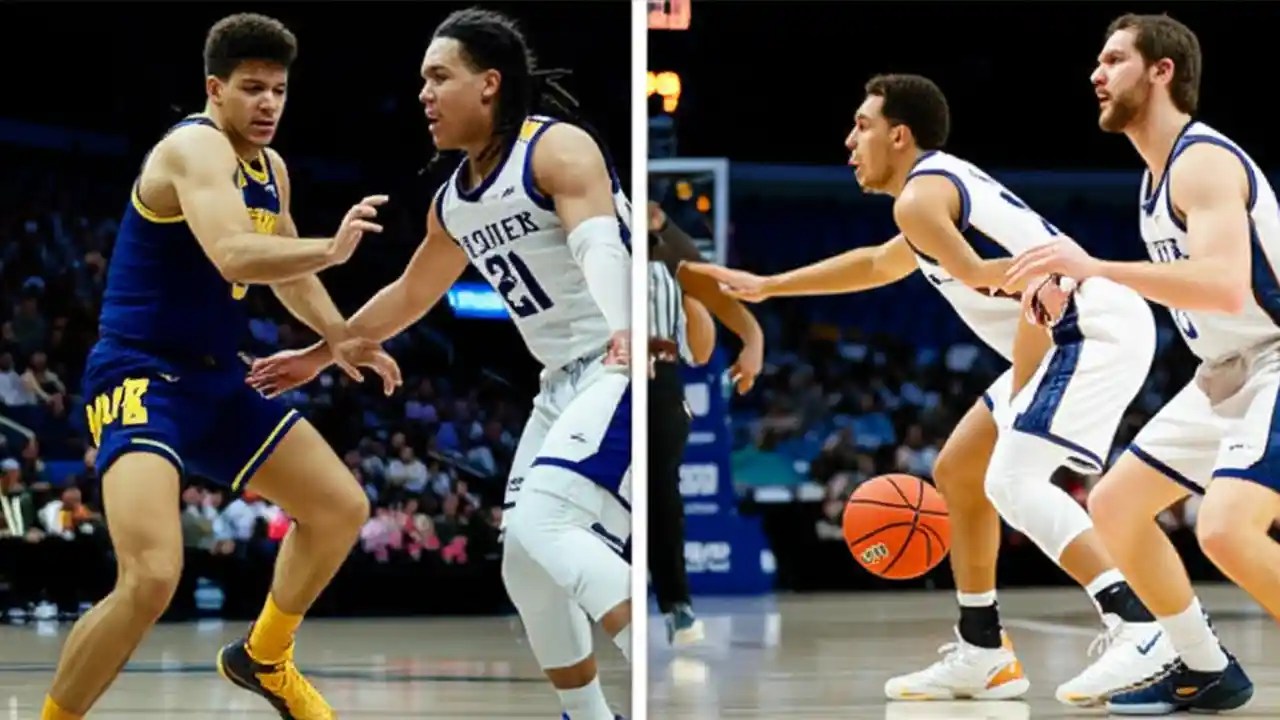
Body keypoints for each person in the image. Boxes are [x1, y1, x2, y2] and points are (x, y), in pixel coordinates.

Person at [685, 73, 1174, 706]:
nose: (849, 140)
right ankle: (982, 651)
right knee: (960, 471)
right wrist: (770, 286)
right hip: (1062, 329)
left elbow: (984, 275)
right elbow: (876, 263)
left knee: (1012, 481)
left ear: (899, 135)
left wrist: (1037, 307)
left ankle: (1138, 626)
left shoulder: (920, 198)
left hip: (1087, 327)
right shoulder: (931, 195)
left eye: (862, 126)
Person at [245, 9, 631, 720]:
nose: (423, 94)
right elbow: (410, 294)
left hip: (626, 359)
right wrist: (320, 355)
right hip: (563, 380)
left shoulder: (555, 147)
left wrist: (625, 328)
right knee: (525, 565)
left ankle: (669, 669)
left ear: (489, 83)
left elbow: (600, 247)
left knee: (545, 527)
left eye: (438, 77)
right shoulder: (454, 201)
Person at [39, 13, 401, 720]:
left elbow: (285, 270)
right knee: (151, 578)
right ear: (215, 89)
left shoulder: (271, 168)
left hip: (218, 378)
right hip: (141, 375)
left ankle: (264, 657)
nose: (269, 104)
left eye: (279, 90)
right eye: (252, 88)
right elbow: (234, 254)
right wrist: (334, 249)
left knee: (339, 508)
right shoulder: (193, 149)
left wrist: (338, 338)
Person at [1005, 12, 1260, 715]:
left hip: (1273, 358)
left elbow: (1226, 286)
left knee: (1226, 530)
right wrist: (1081, 280)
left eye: (1114, 59)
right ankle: (1206, 667)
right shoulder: (1153, 182)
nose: (1096, 73)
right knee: (1116, 504)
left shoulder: (1202, 160)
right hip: (1225, 372)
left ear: (1161, 71)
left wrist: (1093, 267)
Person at [647, 202, 764, 645]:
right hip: (596, 370)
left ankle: (677, 606)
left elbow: (708, 324)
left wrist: (752, 339)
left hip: (659, 372)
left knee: (661, 494)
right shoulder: (585, 239)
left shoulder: (667, 253)